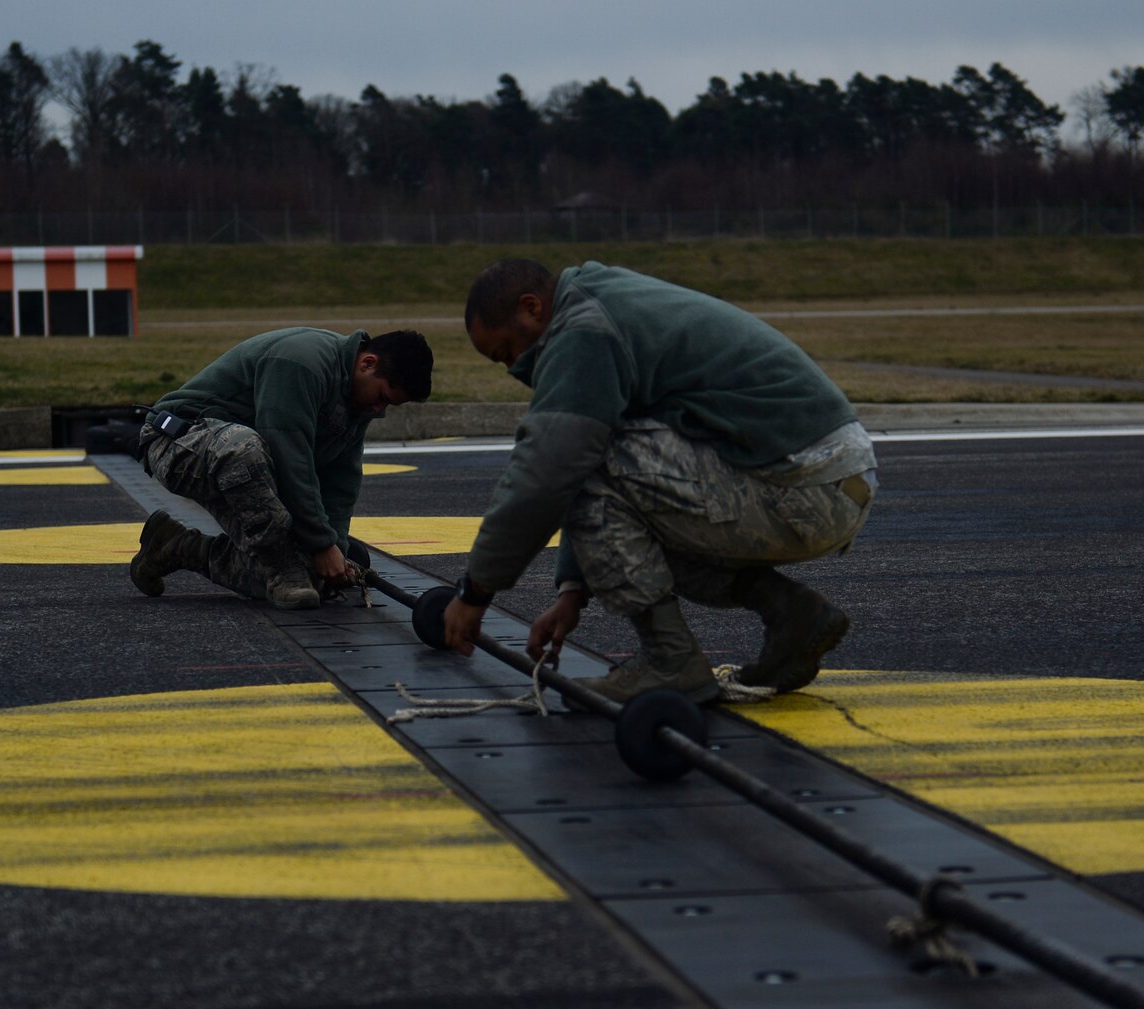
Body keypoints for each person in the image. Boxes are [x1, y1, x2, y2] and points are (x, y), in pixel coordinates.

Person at [442, 259, 875, 702]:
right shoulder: (601, 304)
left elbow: (550, 471)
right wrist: (573, 590)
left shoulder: (584, 329)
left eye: (508, 351)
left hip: (802, 482)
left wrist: (475, 591)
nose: (514, 368)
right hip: (827, 479)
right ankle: (792, 613)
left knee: (572, 462)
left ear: (532, 308)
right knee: (621, 496)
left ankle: (671, 661)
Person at [129, 327, 432, 607]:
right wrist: (321, 543)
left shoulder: (357, 401)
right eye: (382, 398)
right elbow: (288, 456)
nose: (379, 410)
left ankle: (175, 546)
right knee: (244, 448)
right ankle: (284, 570)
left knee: (313, 580)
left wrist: (333, 550)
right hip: (178, 443)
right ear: (367, 363)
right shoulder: (301, 363)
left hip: (245, 470)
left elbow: (340, 483)